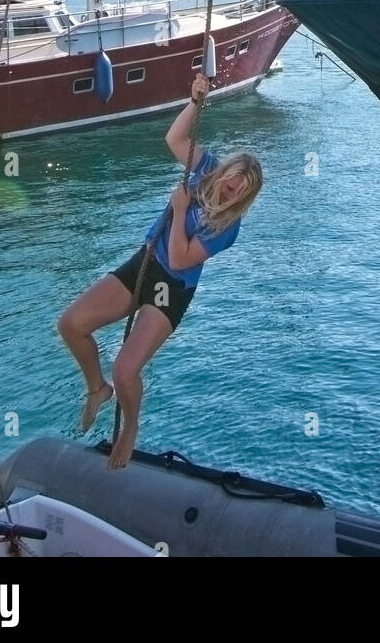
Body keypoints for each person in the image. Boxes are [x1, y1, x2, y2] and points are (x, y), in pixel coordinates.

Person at [57, 73, 263, 468]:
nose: (228, 192)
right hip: (145, 262)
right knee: (71, 324)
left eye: (238, 192)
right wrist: (195, 102)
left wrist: (182, 209)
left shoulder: (229, 228)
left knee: (126, 369)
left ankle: (130, 426)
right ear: (226, 171)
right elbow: (175, 140)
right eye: (230, 183)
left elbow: (184, 258)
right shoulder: (205, 168)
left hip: (173, 287)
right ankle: (96, 389)